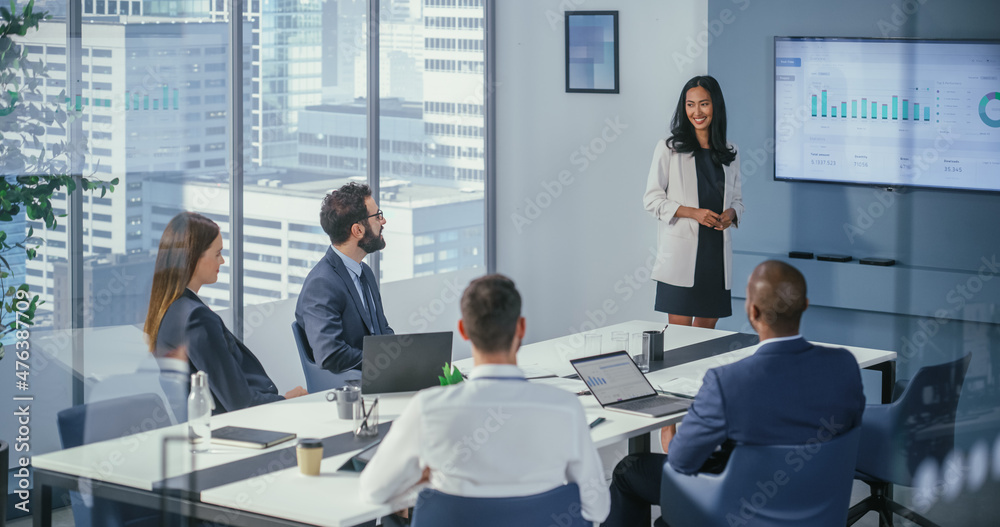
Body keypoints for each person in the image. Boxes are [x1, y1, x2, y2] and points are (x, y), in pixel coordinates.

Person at [601, 261, 865, 527]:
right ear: (805, 305)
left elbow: (681, 460)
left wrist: (670, 425)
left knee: (629, 471)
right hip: (816, 504)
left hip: (737, 509)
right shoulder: (844, 366)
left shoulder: (728, 381)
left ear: (753, 311)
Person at [359, 275, 610, 525]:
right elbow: (597, 510)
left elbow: (374, 490)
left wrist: (423, 480)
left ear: (463, 330)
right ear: (521, 328)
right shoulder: (565, 408)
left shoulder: (428, 408)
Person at [144, 212, 307, 414]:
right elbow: (240, 403)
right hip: (239, 423)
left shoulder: (170, 310)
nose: (222, 261)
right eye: (217, 254)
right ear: (193, 257)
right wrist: (285, 401)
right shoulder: (196, 318)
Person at [643, 75, 744, 331]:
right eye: (690, 105)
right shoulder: (669, 148)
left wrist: (732, 213)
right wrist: (692, 213)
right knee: (680, 338)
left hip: (715, 256)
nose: (696, 112)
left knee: (705, 337)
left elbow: (737, 200)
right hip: (680, 256)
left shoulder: (730, 152)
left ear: (715, 106)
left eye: (704, 104)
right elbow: (652, 199)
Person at [295, 182, 393, 381]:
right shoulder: (322, 284)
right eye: (377, 216)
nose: (383, 221)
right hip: (353, 385)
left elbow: (381, 331)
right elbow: (330, 354)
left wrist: (406, 356)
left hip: (379, 377)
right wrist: (385, 361)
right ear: (358, 230)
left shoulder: (364, 272)